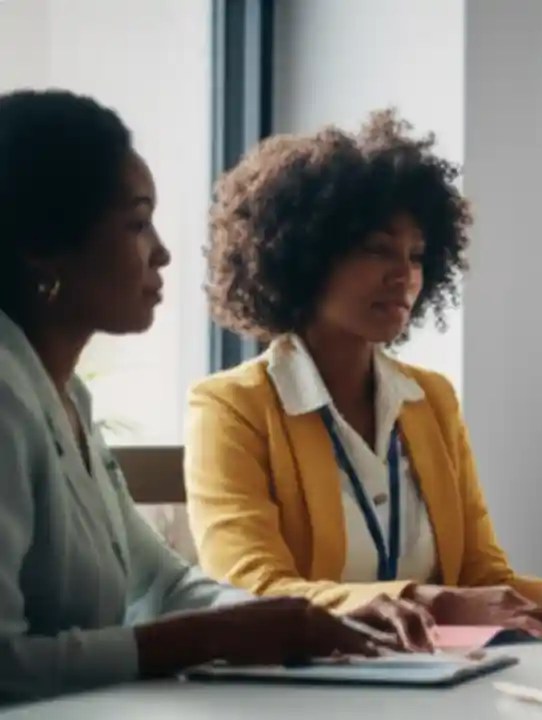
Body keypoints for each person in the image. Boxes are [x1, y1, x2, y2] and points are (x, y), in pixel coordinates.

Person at [0, 89, 428, 705]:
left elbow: (167, 584)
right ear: (42, 244)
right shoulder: (4, 400)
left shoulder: (65, 400)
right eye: (137, 222)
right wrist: (204, 638)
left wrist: (293, 621)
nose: (163, 252)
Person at [185, 109, 542, 638]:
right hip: (310, 687)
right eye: (377, 250)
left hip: (438, 678)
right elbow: (252, 587)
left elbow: (480, 577)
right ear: (304, 254)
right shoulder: (231, 406)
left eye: (418, 255)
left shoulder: (431, 399)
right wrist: (427, 600)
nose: (404, 275)